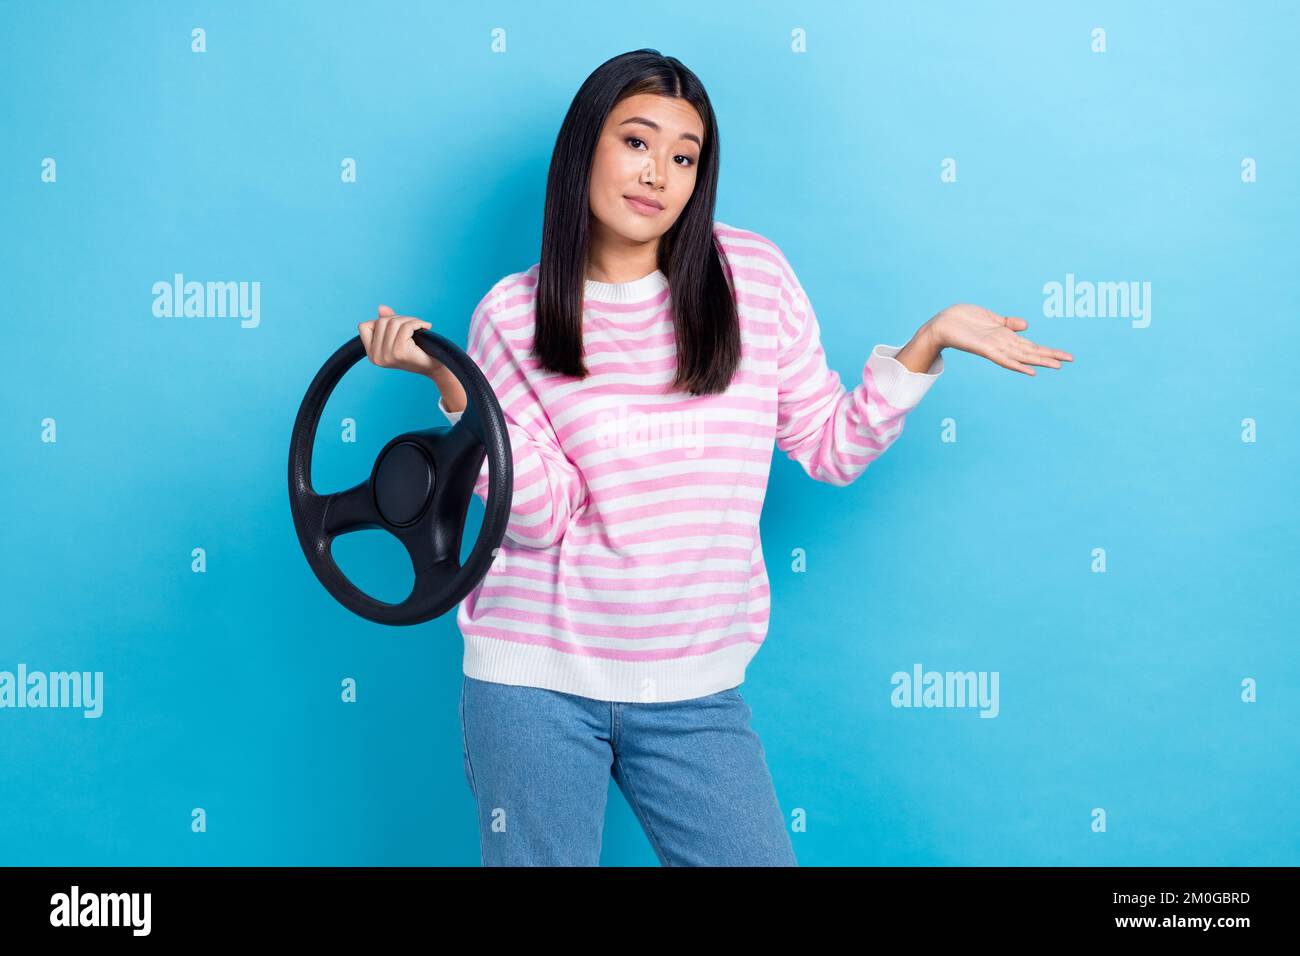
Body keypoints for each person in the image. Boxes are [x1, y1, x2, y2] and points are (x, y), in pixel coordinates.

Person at [358, 49, 1072, 867]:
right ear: (585, 147)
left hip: (694, 688)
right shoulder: (511, 314)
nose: (657, 172)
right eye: (636, 141)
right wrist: (459, 392)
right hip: (535, 680)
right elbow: (542, 514)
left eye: (684, 155)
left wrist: (926, 344)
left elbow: (832, 447)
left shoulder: (752, 278)